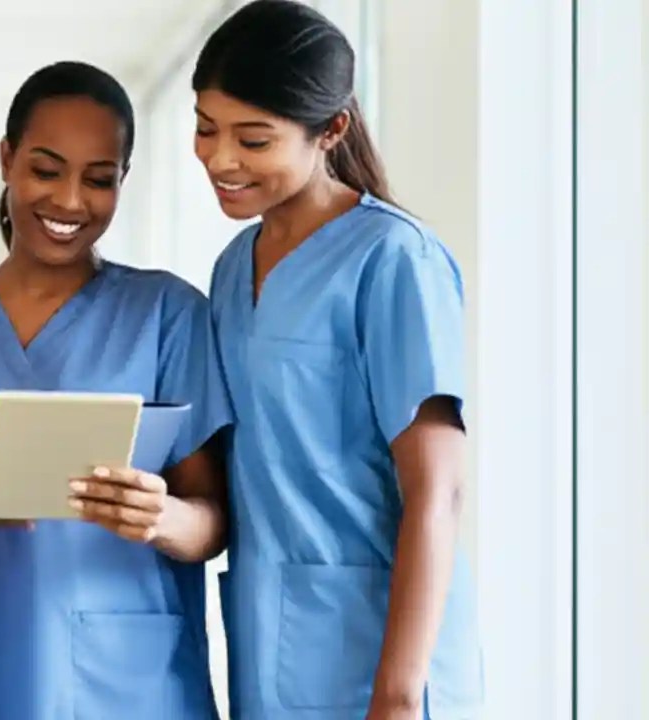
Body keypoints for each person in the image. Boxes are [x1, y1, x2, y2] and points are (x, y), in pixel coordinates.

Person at [0, 61, 232, 720]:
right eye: (46, 170)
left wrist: (161, 518)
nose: (71, 202)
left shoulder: (167, 316)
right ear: (7, 159)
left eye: (99, 180)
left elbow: (211, 519)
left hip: (132, 685)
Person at [192, 2, 484, 719]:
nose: (221, 159)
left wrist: (397, 694)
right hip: (274, 652)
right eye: (205, 129)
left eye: (253, 140)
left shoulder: (393, 261)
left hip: (382, 666)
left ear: (331, 131)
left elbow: (438, 490)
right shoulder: (232, 270)